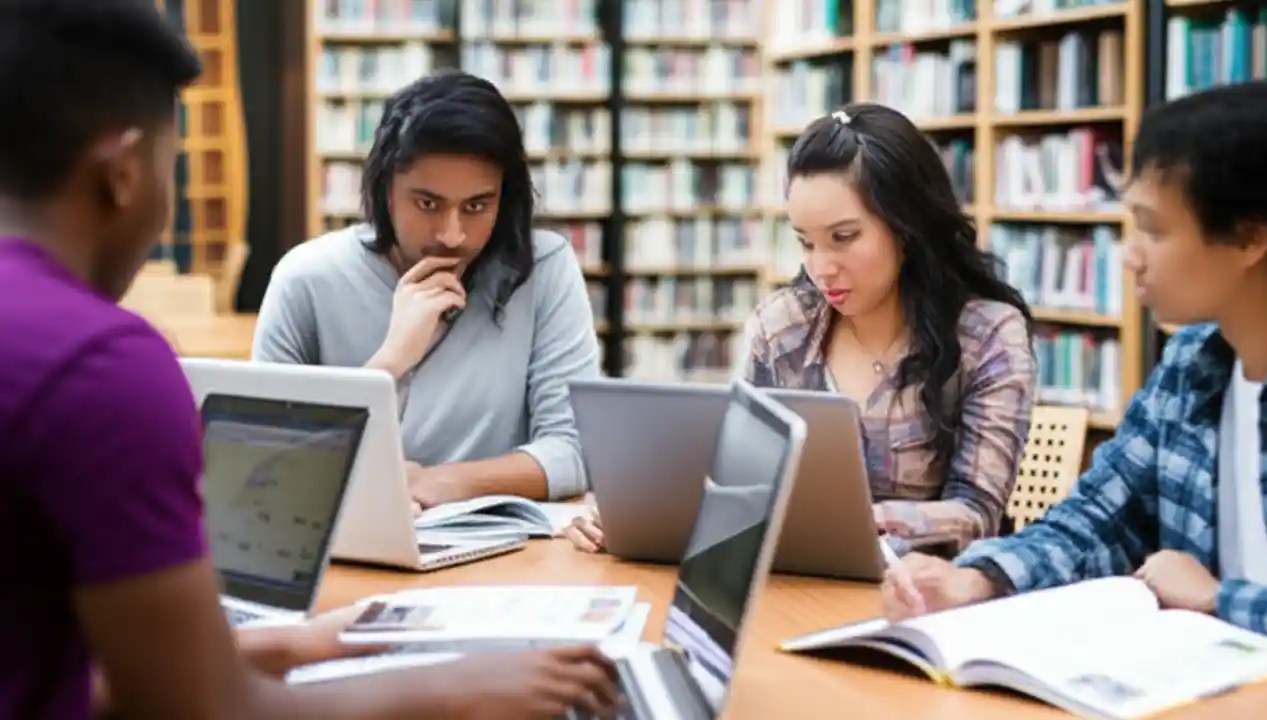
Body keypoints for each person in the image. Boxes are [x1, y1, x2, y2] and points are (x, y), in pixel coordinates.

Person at [0, 3, 617, 718]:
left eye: (478, 205)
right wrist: (456, 686)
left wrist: (294, 645)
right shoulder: (105, 368)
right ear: (125, 171)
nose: (452, 231)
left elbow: (77, 665)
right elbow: (206, 707)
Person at [881, 81, 1267, 639]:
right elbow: (1095, 521)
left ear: (1249, 239)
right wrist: (975, 581)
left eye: (1154, 230)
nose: (1130, 257)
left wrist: (1221, 599)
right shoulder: (1191, 366)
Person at [567, 103, 1036, 558]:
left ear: (907, 227)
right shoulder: (781, 329)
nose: (821, 268)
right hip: (794, 586)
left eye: (844, 238)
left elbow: (977, 515)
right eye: (805, 242)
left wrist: (873, 522)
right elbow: (740, 480)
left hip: (922, 598)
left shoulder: (987, 336)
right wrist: (636, 510)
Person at [253, 70, 598, 510]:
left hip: (503, 554)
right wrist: (390, 361)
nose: (452, 235)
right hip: (347, 551)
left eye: (476, 206)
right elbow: (261, 460)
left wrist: (441, 484)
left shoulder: (543, 269)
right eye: (427, 203)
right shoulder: (306, 278)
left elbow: (573, 451)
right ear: (385, 190)